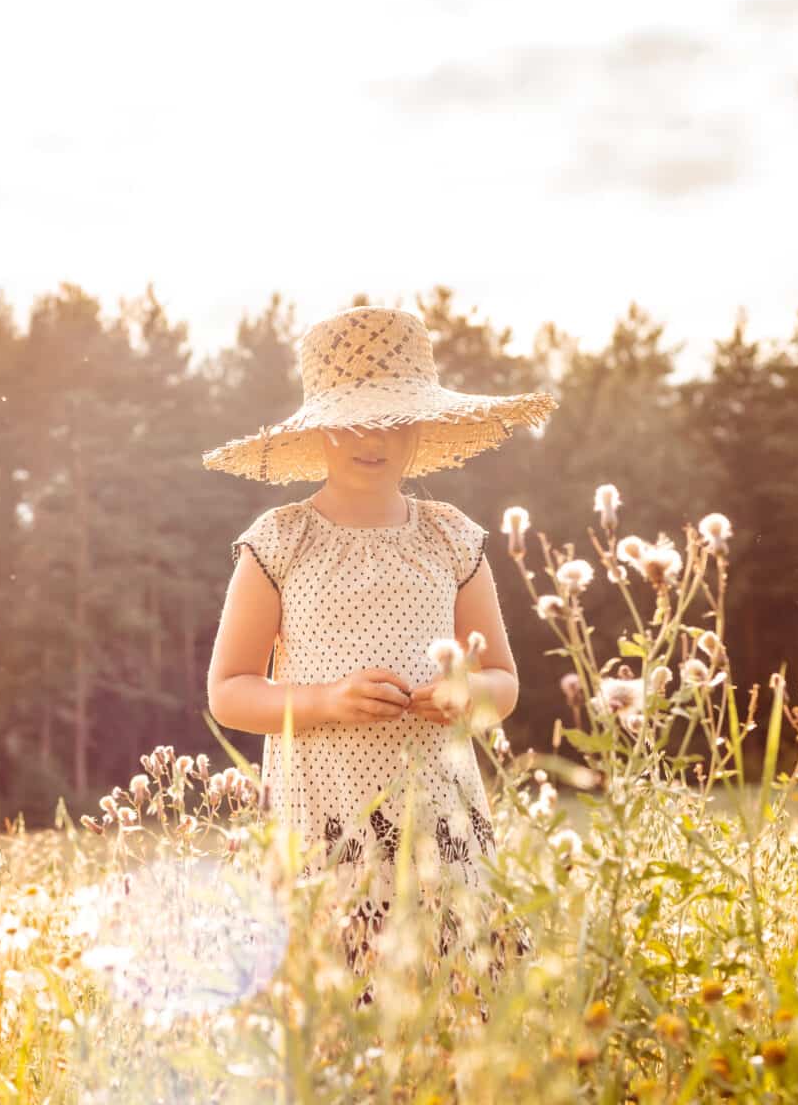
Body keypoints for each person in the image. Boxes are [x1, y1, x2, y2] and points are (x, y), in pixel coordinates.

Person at [202, 304, 556, 1009]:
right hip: (324, 817)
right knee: (348, 1012)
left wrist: (464, 694)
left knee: (461, 1003)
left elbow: (504, 684)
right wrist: (324, 700)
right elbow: (230, 690)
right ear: (319, 430)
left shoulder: (451, 538)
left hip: (441, 819)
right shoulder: (281, 542)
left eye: (395, 420)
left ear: (422, 430)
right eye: (355, 421)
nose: (375, 438)